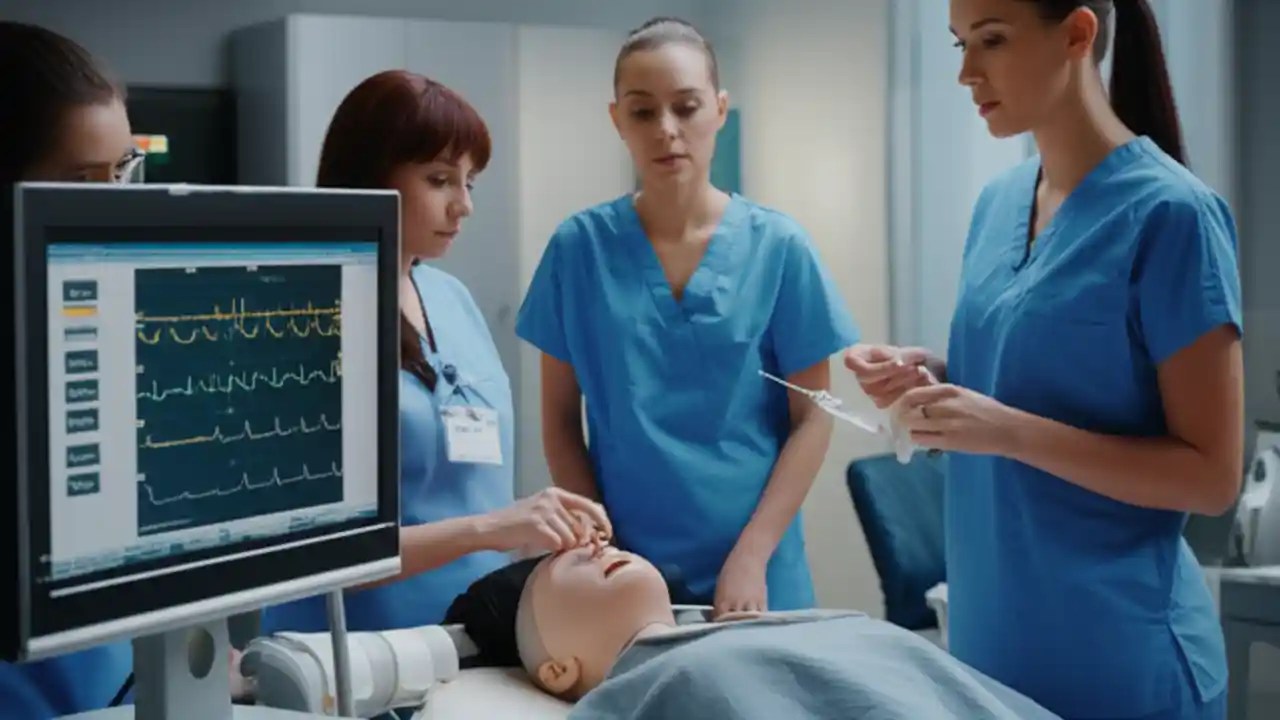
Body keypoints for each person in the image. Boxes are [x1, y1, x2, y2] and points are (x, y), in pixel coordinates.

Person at [845, 1, 1242, 718]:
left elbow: (1212, 477)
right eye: (960, 44)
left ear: (1078, 34)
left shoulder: (1172, 216)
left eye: (992, 41)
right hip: (991, 655)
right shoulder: (997, 203)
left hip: (1122, 664)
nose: (967, 71)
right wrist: (935, 379)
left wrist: (1002, 429)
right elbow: (1041, 384)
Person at [514, 17, 859, 620]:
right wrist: (603, 550)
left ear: (720, 110)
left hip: (758, 572)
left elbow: (813, 420)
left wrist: (752, 554)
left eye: (687, 107)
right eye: (644, 112)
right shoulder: (579, 249)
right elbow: (560, 422)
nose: (667, 130)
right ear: (617, 118)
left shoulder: (779, 248)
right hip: (626, 568)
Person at [261, 70, 611, 637]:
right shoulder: (305, 321)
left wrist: (528, 527)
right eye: (440, 179)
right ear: (371, 178)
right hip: (351, 654)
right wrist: (489, 528)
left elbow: (468, 486)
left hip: (468, 636)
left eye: (470, 182)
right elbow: (309, 553)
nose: (464, 205)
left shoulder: (451, 298)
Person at [448, 544, 1061, 719]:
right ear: (556, 671)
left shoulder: (810, 624)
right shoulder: (658, 690)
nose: (593, 546)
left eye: (596, 542)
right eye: (562, 566)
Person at [0, 20, 140, 717]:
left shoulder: (97, 325)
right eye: (85, 179)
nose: (114, 203)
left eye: (122, 172)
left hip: (112, 686)